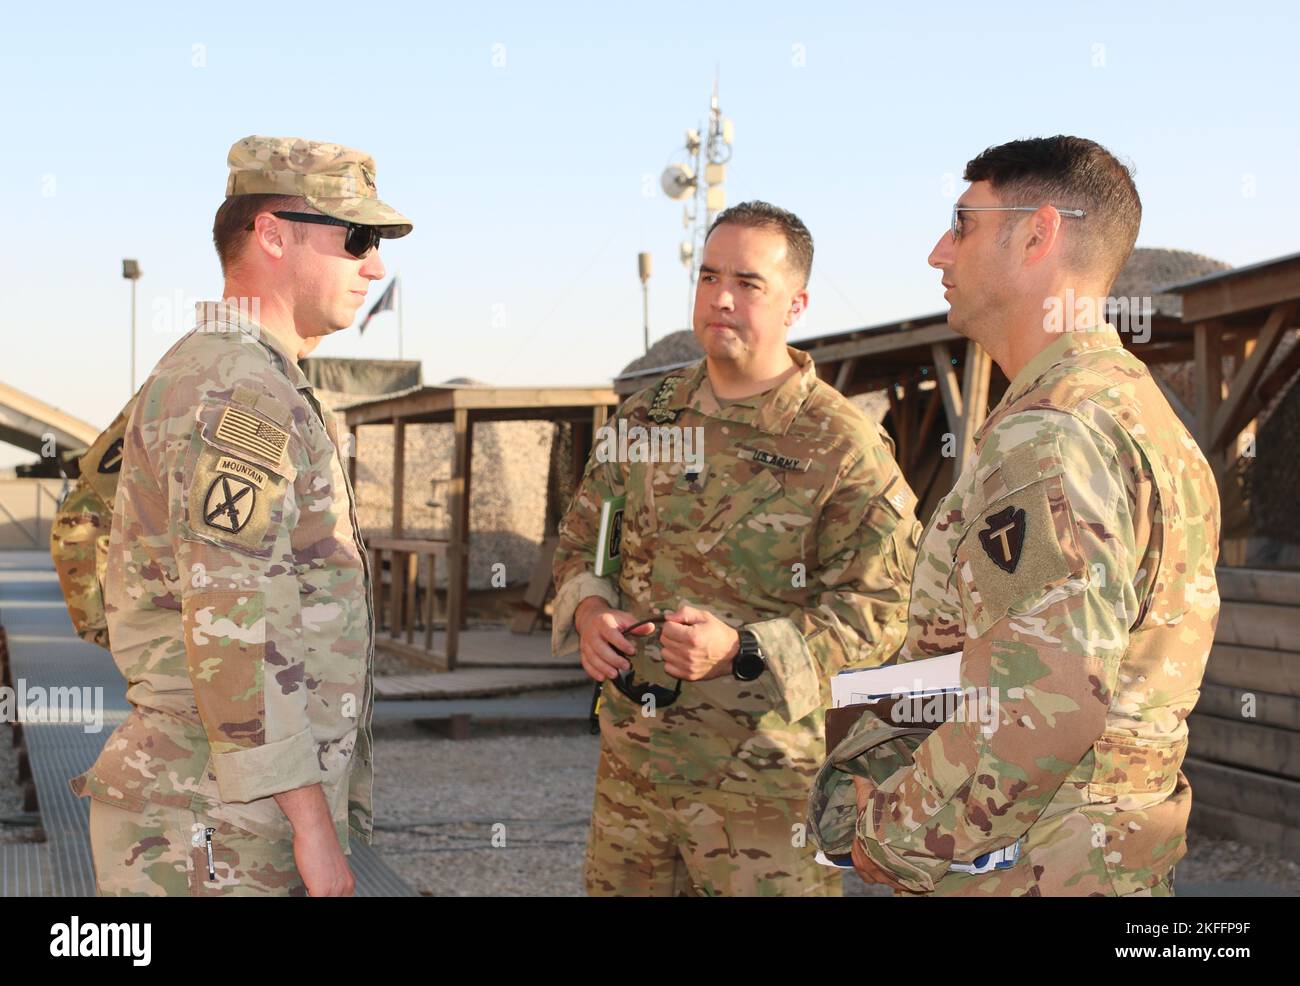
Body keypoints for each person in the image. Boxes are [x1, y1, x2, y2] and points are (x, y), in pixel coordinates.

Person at [850, 136, 1221, 896]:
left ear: (1036, 233)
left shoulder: (1049, 432)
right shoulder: (1143, 415)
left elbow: (1042, 704)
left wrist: (895, 832)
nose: (936, 253)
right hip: (1106, 856)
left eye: (963, 224)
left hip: (1035, 868)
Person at [69, 135, 413, 896]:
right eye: (356, 237)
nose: (376, 264)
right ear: (273, 234)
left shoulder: (236, 369)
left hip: (222, 811)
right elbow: (237, 621)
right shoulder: (237, 388)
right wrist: (311, 827)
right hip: (217, 829)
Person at [553, 200, 921, 896]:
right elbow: (580, 548)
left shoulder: (842, 446)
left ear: (796, 304)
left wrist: (746, 649)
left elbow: (886, 608)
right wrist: (589, 614)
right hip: (635, 782)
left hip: (764, 795)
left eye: (748, 283)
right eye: (708, 275)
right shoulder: (646, 418)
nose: (720, 298)